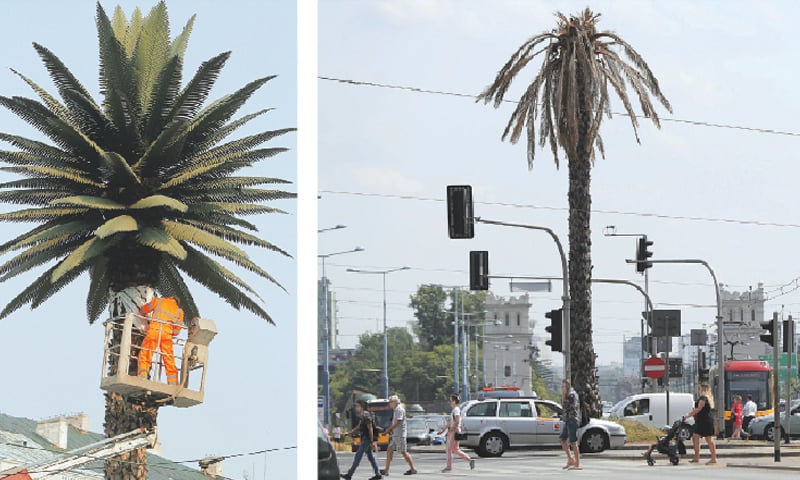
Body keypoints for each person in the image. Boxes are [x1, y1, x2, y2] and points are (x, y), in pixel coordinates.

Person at [137, 296, 184, 385]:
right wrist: (169, 331)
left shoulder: (158, 301)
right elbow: (176, 332)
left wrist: (142, 312)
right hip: (166, 335)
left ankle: (142, 376)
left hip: (154, 331)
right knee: (169, 358)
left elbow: (144, 310)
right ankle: (173, 383)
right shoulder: (179, 311)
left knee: (146, 353)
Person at [341, 400, 382, 480]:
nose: (356, 408)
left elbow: (370, 428)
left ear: (361, 407)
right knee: (371, 457)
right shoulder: (363, 416)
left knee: (358, 456)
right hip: (364, 439)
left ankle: (349, 475)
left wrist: (372, 441)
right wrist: (350, 433)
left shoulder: (366, 416)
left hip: (366, 439)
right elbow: (359, 427)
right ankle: (378, 474)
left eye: (357, 406)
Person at [436, 393, 474, 473]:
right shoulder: (455, 410)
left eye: (451, 400)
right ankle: (469, 460)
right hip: (455, 430)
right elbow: (450, 421)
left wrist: (451, 429)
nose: (450, 402)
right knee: (455, 449)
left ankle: (449, 467)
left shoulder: (456, 410)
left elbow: (457, 420)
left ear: (454, 401)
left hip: (454, 431)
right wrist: (443, 430)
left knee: (449, 449)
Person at [381, 395, 417, 476]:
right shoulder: (396, 410)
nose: (389, 404)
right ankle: (386, 470)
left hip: (400, 434)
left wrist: (388, 430)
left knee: (403, 452)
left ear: (395, 402)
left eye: (390, 402)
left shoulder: (399, 410)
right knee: (389, 450)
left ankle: (413, 469)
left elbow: (398, 422)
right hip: (395, 435)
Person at [684, 382, 717, 465]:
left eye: (699, 388)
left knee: (708, 439)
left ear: (703, 389)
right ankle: (697, 457)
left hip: (705, 421)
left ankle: (712, 458)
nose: (698, 390)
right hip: (703, 420)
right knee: (696, 437)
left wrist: (688, 415)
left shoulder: (703, 397)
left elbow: (699, 408)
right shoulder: (708, 398)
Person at [559, 379, 581, 470]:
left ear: (568, 386)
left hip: (572, 420)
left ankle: (577, 463)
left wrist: (563, 396)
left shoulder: (572, 395)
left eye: (564, 387)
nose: (562, 388)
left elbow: (565, 406)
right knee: (563, 440)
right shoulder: (569, 394)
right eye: (562, 387)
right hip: (567, 419)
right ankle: (570, 459)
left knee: (573, 442)